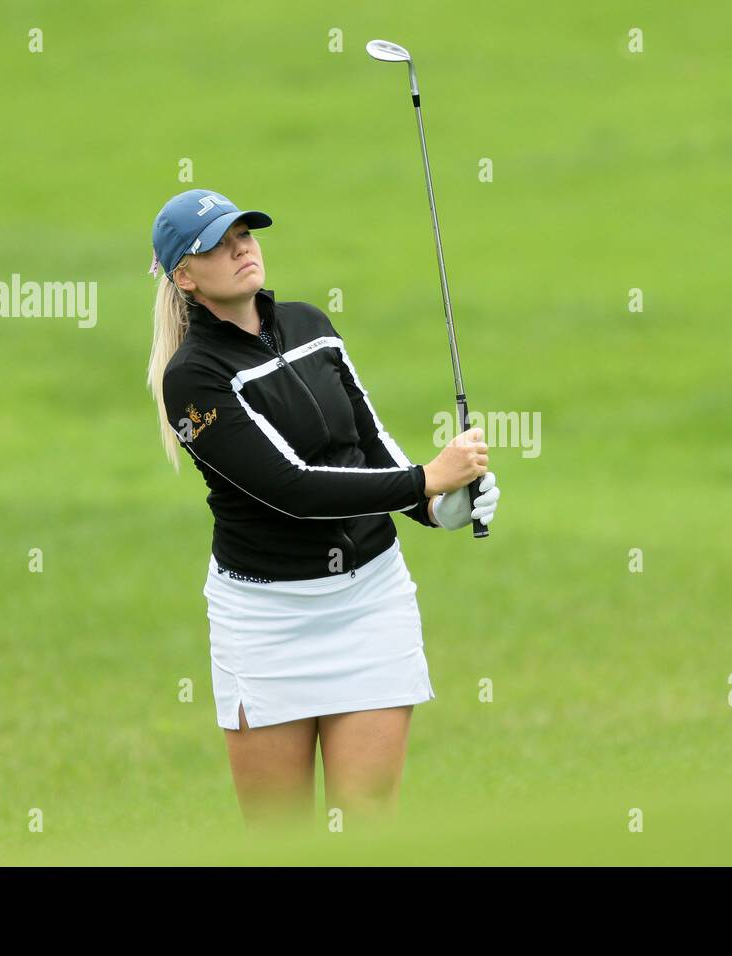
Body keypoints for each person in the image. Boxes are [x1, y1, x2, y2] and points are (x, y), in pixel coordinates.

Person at [143, 189, 501, 829]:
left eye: (245, 233)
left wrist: (435, 504)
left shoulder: (312, 325)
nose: (241, 247)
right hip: (266, 620)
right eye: (218, 244)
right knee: (282, 838)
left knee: (365, 822)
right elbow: (291, 487)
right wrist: (425, 479)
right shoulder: (191, 379)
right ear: (185, 277)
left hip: (370, 604)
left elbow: (369, 443)